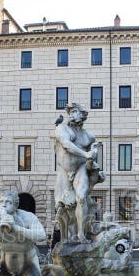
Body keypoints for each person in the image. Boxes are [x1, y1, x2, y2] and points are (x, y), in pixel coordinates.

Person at [54, 103, 105, 243]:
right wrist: (86, 153)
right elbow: (66, 144)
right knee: (63, 205)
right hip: (64, 171)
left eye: (76, 112)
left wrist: (93, 162)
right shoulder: (61, 129)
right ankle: (64, 237)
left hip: (81, 169)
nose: (73, 114)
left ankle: (81, 234)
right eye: (71, 111)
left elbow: (89, 162)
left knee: (81, 197)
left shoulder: (88, 137)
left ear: (83, 116)